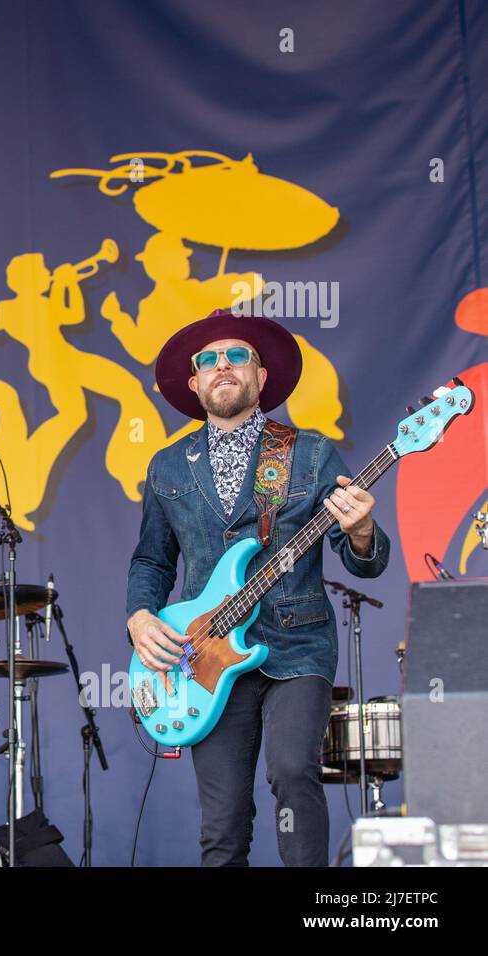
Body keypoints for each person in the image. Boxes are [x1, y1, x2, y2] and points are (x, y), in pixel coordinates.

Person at [125, 309, 390, 866]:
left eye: (237, 355)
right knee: (222, 827)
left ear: (260, 377)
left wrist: (362, 531)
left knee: (294, 773)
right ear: (195, 383)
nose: (223, 365)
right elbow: (152, 560)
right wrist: (141, 616)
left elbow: (360, 561)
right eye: (209, 360)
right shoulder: (170, 466)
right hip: (203, 653)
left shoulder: (309, 452)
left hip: (297, 645)